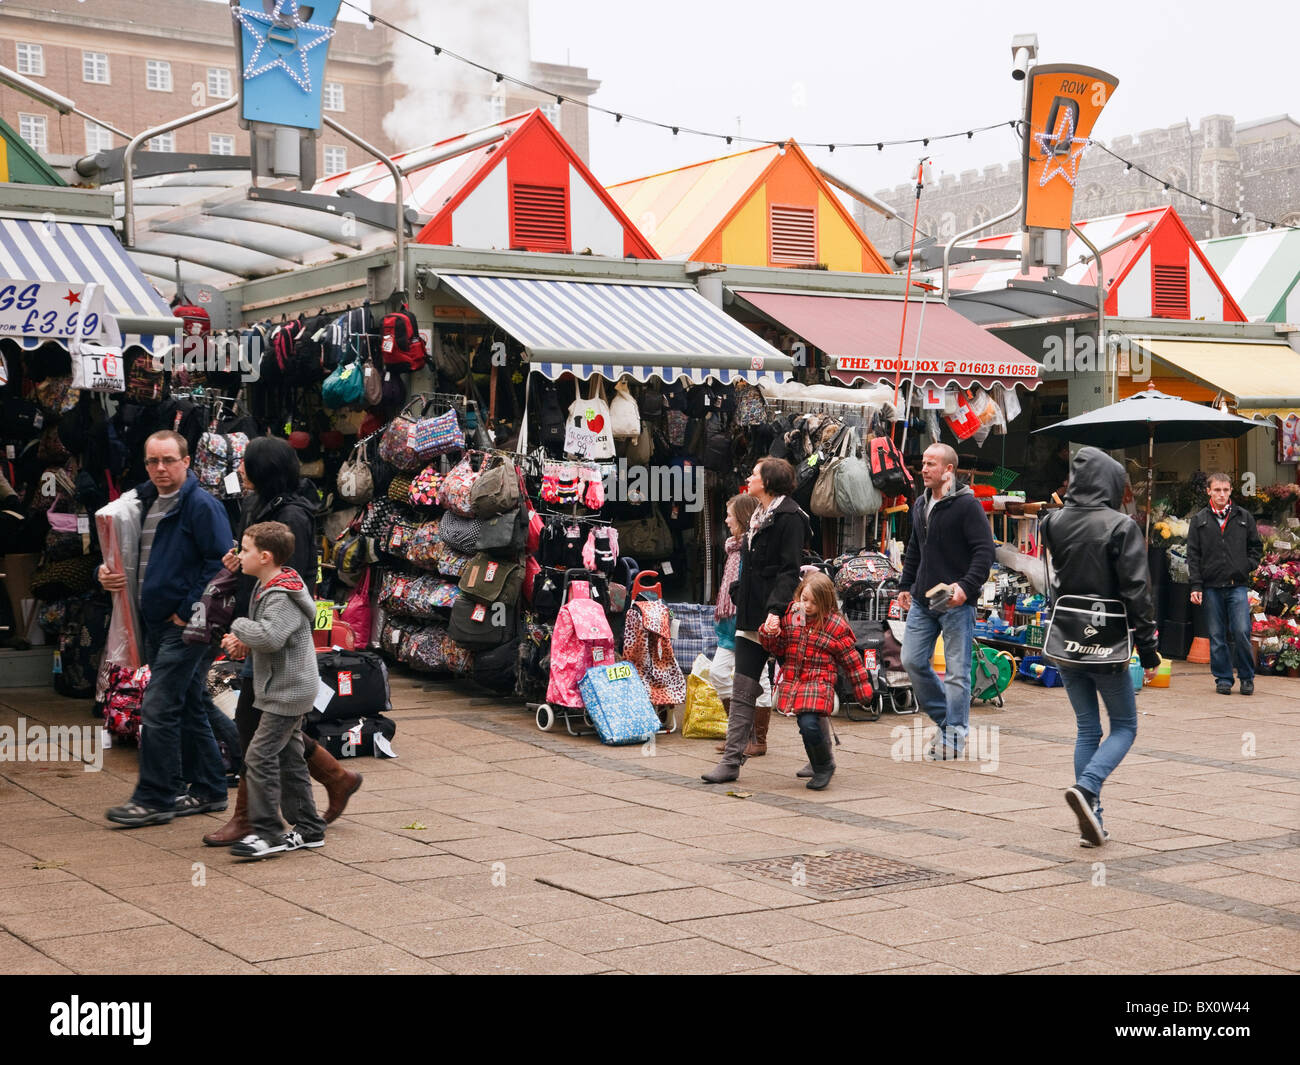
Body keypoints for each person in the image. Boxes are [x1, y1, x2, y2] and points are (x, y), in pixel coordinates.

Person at [203, 436, 361, 846]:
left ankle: (256, 821)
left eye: (246, 464)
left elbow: (289, 587)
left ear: (263, 471)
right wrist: (237, 562)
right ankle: (332, 783)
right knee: (277, 733)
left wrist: (246, 635)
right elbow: (260, 568)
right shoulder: (264, 505)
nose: (239, 470)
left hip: (276, 643)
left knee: (255, 732)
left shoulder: (291, 513)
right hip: (262, 631)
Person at [103, 431, 233, 827]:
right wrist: (105, 574)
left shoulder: (201, 505)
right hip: (156, 623)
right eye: (152, 461)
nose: (160, 468)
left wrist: (186, 609)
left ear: (187, 461)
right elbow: (123, 553)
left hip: (187, 627)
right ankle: (210, 788)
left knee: (158, 707)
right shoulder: (141, 502)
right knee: (190, 703)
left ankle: (155, 797)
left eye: (168, 460)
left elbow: (222, 563)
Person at [1040, 446, 1160, 848]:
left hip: (1067, 636)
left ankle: (1093, 822)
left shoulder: (1053, 523)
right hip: (1106, 641)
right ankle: (1088, 789)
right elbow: (1137, 592)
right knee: (1125, 726)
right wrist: (1149, 649)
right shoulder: (1122, 526)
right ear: (1109, 482)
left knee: (1087, 727)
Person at [220, 521, 327, 858]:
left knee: (258, 755)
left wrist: (238, 627)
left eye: (246, 549)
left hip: (289, 691)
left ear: (264, 556)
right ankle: (309, 828)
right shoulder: (268, 585)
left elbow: (269, 637)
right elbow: (272, 637)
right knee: (288, 757)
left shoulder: (280, 595)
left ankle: (268, 833)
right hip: (284, 687)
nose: (240, 554)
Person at [703, 457, 809, 784]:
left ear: (768, 481)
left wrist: (776, 611)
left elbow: (789, 570)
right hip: (750, 617)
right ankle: (732, 761)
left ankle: (821, 758)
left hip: (778, 618)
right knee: (743, 687)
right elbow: (752, 566)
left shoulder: (791, 517)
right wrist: (739, 589)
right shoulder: (758, 515)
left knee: (802, 687)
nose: (749, 477)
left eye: (754, 474)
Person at [898, 443, 995, 760]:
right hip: (923, 600)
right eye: (923, 463)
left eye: (931, 464)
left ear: (949, 470)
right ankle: (950, 723)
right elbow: (915, 548)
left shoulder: (968, 506)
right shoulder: (920, 504)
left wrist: (966, 588)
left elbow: (985, 552)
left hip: (955, 602)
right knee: (912, 661)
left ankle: (953, 739)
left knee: (956, 673)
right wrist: (904, 584)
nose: (924, 469)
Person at [759, 572, 873, 790]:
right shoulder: (793, 616)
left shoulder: (835, 626)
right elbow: (778, 648)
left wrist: (863, 691)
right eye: (804, 599)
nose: (808, 606)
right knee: (805, 726)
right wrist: (770, 633)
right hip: (795, 682)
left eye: (814, 602)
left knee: (810, 724)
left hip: (819, 683)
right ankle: (817, 761)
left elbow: (852, 661)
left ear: (826, 602)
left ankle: (824, 766)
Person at [1187, 471, 1262, 696]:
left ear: (1230, 491)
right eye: (1217, 490)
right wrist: (1196, 586)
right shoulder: (1199, 520)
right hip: (1210, 587)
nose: (1222, 494)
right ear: (1208, 491)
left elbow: (1256, 547)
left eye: (1226, 490)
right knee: (1216, 636)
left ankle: (1247, 677)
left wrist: (1245, 566)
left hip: (1236, 585)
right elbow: (1193, 555)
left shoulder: (1243, 516)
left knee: (1241, 631)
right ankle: (1223, 679)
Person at [710, 492, 766, 754]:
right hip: (728, 626)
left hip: (749, 623)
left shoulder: (753, 547)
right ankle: (740, 733)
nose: (726, 520)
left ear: (742, 518)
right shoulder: (733, 548)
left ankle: (758, 740)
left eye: (730, 515)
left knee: (760, 679)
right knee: (718, 673)